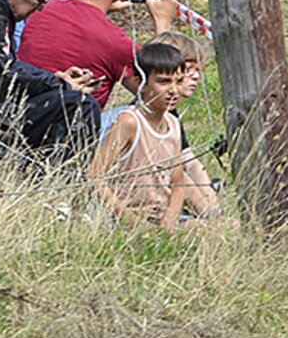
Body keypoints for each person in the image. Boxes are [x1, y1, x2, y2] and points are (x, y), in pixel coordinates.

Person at [16, 0, 180, 109]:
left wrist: (103, 8)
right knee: (161, 119)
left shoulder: (42, 12)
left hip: (25, 117)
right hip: (76, 128)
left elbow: (78, 29)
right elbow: (159, 95)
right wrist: (163, 23)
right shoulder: (115, 42)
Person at [87, 41, 219, 228]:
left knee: (232, 227)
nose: (173, 90)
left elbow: (177, 181)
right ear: (140, 83)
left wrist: (170, 218)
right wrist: (131, 220)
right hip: (128, 217)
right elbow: (95, 175)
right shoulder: (130, 122)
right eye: (163, 82)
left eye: (178, 81)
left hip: (163, 215)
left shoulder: (172, 123)